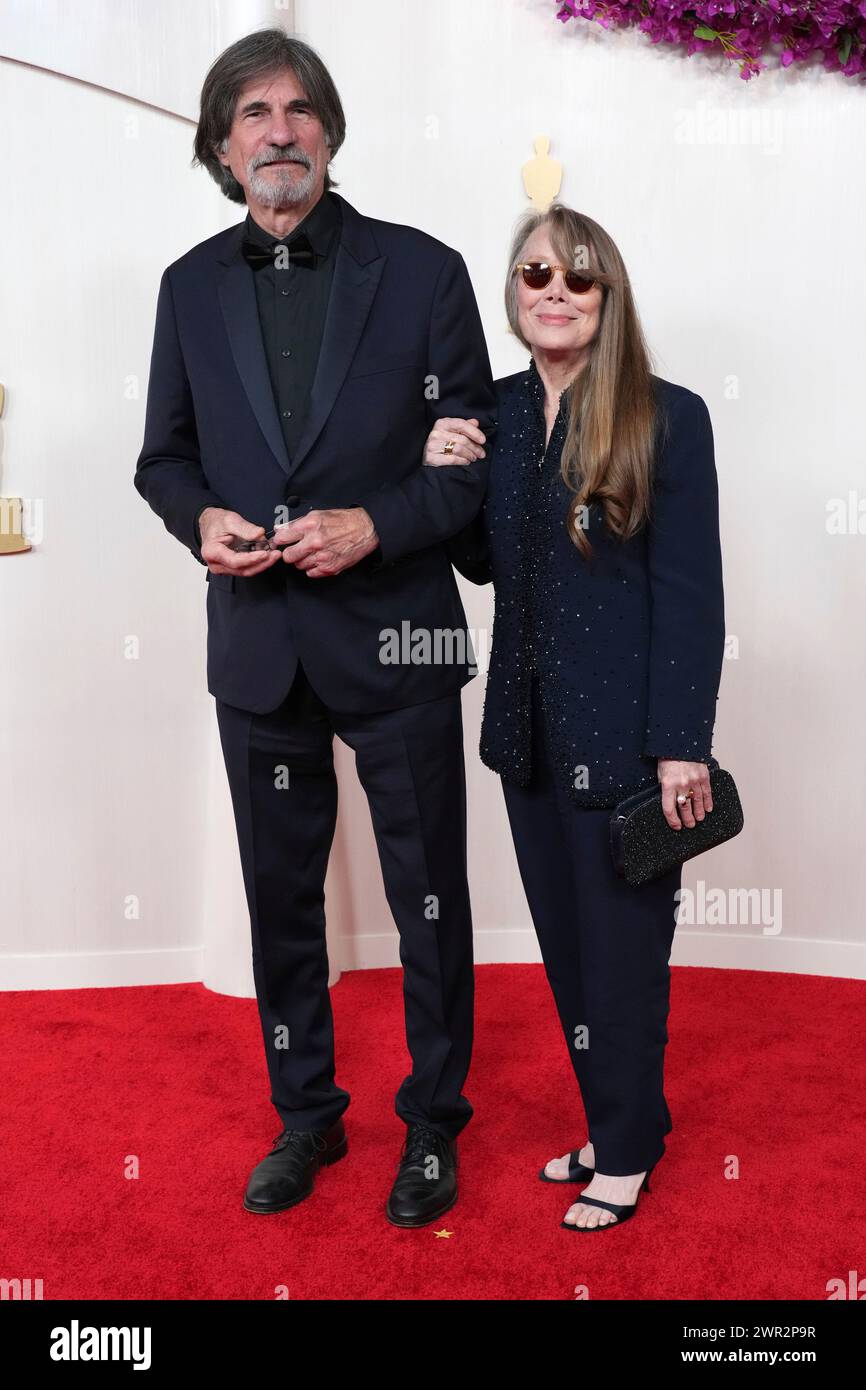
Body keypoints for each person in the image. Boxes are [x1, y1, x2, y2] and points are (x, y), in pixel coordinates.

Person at [134, 28, 497, 1228]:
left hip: (400, 636)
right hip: (258, 639)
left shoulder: (427, 271)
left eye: (297, 110)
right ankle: (307, 1116)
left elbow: (465, 475)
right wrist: (200, 522)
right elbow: (162, 459)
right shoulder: (186, 286)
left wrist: (370, 526)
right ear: (221, 146)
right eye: (251, 114)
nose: (277, 130)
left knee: (426, 893)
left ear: (329, 133)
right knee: (279, 898)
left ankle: (434, 1127)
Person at [424, 202, 725, 1230]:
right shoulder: (500, 415)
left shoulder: (665, 414)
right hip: (526, 736)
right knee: (566, 946)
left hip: (628, 740)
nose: (554, 292)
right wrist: (446, 474)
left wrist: (681, 743)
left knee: (623, 952)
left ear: (607, 296)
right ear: (511, 293)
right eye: (534, 273)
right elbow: (482, 565)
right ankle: (617, 1118)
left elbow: (690, 594)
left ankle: (626, 1151)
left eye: (577, 278)